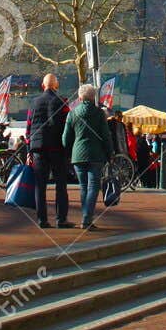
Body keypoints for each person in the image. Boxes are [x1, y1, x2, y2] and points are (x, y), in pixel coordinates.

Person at [63, 83, 114, 230]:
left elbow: (66, 138)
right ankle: (86, 219)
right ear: (93, 98)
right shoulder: (99, 114)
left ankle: (86, 218)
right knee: (93, 186)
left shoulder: (72, 113)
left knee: (83, 187)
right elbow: (106, 136)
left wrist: (70, 150)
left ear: (79, 97)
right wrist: (110, 152)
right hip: (96, 155)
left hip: (78, 155)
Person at [26, 74, 72, 228]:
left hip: (38, 147)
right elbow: (67, 126)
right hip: (57, 147)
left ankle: (42, 219)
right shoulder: (62, 102)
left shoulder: (34, 103)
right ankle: (61, 218)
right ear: (56, 86)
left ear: (42, 85)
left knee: (40, 185)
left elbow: (29, 127)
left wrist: (29, 150)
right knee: (61, 184)